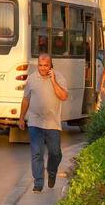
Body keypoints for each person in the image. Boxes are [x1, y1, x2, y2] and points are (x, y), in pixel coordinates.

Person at [18, 52, 69, 192]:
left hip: (52, 123)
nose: (42, 68)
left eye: (46, 66)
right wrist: (21, 117)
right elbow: (26, 99)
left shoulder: (59, 77)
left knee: (55, 153)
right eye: (40, 65)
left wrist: (53, 81)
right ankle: (38, 183)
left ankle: (52, 173)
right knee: (37, 153)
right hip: (35, 121)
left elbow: (63, 96)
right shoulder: (32, 79)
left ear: (51, 65)